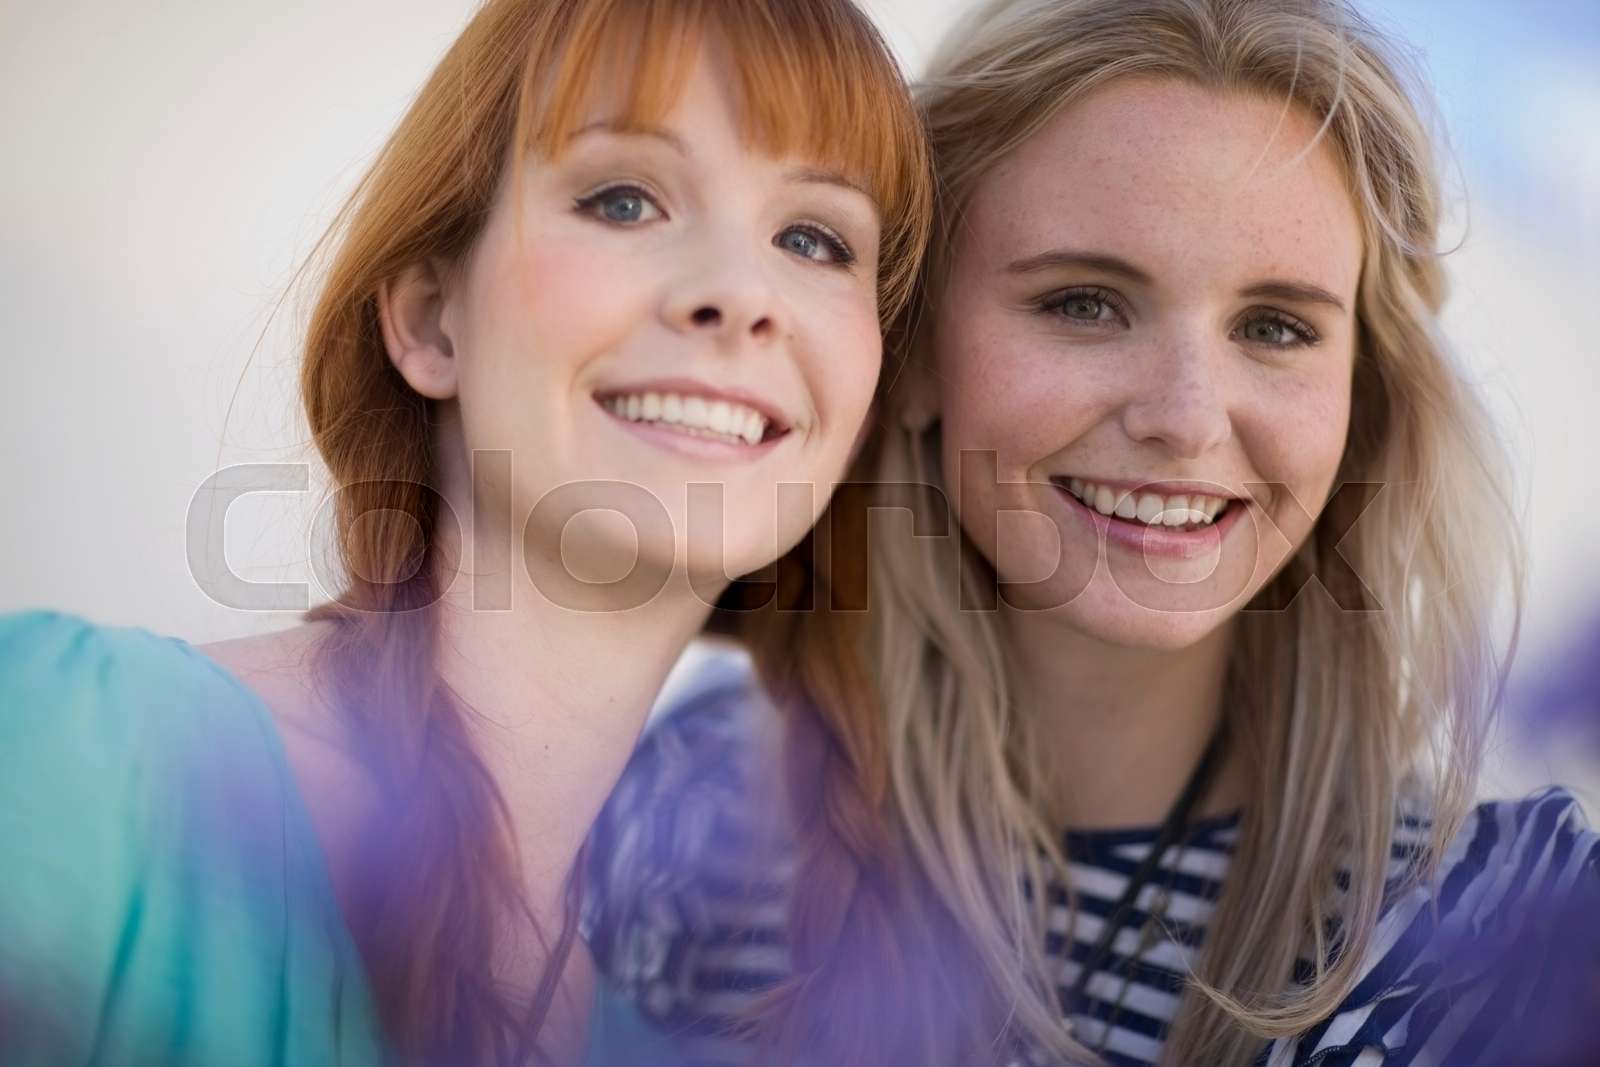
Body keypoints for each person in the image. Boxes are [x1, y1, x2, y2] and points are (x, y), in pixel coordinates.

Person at [584, 0, 1600, 1064]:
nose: (1186, 417)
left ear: (1361, 391)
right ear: (914, 350)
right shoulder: (686, 807)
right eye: (1083, 303)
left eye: (1274, 326)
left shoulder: (1520, 934)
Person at [0, 1, 931, 1064]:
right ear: (429, 318)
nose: (741, 294)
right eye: (624, 200)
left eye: (812, 238)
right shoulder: (70, 759)